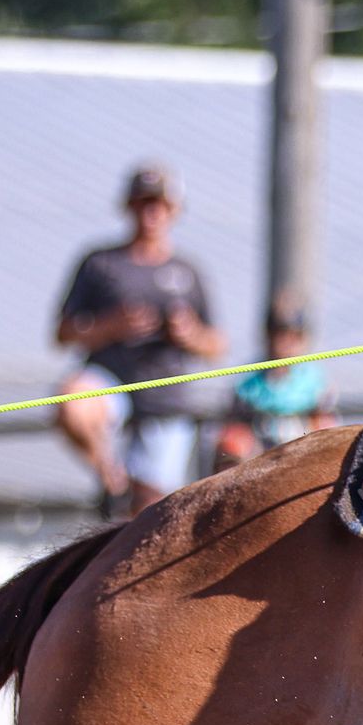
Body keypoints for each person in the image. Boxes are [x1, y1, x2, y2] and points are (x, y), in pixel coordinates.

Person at [54, 165, 225, 511]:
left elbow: (217, 344)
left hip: (165, 396)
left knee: (151, 511)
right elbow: (62, 333)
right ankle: (110, 475)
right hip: (111, 382)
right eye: (142, 203)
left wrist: (188, 333)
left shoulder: (187, 271)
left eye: (159, 204)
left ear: (174, 210)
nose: (151, 213)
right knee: (72, 399)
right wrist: (110, 327)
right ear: (127, 207)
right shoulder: (100, 263)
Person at [214, 311, 337, 469]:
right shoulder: (248, 383)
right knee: (231, 444)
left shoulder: (315, 381)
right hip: (258, 452)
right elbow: (236, 427)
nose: (286, 343)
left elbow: (324, 424)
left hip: (304, 451)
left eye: (293, 337)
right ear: (268, 338)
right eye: (280, 336)